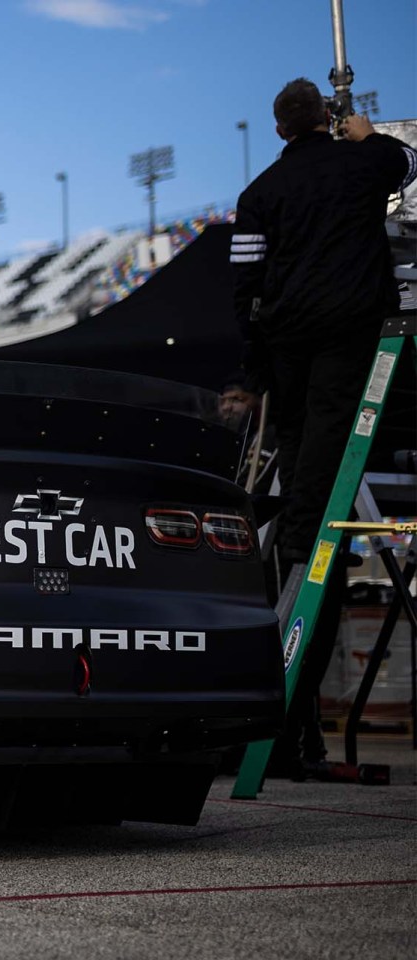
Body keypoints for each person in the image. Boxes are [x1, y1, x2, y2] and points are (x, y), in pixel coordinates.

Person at [231, 80, 417, 774]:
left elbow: (241, 287)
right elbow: (407, 164)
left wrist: (251, 371)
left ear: (280, 130)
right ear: (322, 121)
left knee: (303, 473)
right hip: (347, 336)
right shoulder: (359, 160)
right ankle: (308, 545)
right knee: (315, 495)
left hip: (286, 347)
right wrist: (362, 133)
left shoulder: (258, 191)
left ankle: (300, 544)